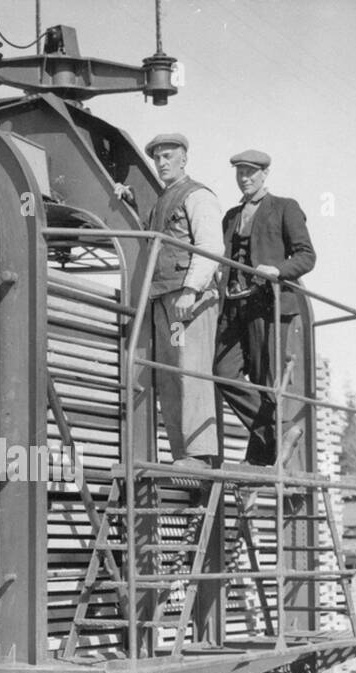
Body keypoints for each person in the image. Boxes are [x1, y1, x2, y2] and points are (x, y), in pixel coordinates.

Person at [213, 149, 316, 466]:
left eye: (250, 173)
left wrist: (278, 270)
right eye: (240, 172)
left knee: (265, 380)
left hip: (267, 305)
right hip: (234, 307)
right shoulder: (231, 216)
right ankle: (279, 433)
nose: (244, 178)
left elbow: (306, 256)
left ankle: (259, 455)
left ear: (264, 174)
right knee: (221, 372)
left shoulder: (285, 208)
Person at [140, 133, 224, 471]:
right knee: (172, 375)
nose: (162, 162)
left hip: (189, 300)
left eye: (168, 155)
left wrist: (191, 290)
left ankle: (200, 454)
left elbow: (210, 246)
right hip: (165, 300)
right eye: (157, 156)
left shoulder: (198, 196)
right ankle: (182, 453)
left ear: (184, 158)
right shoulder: (162, 201)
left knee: (192, 370)